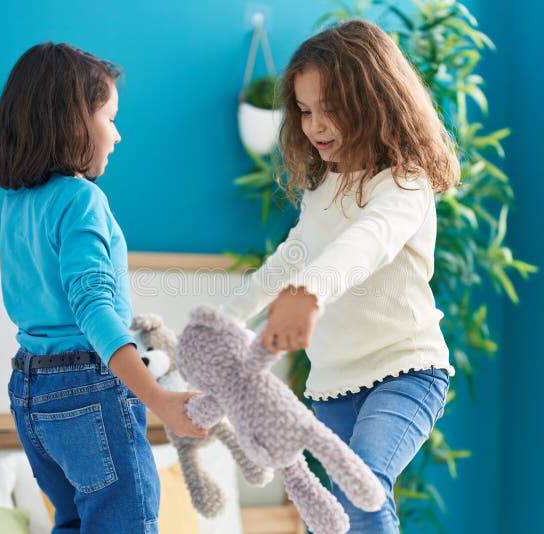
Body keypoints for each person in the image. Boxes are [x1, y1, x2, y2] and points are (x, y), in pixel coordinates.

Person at [222, 20, 458, 533]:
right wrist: (222, 322)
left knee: (363, 486)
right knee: (330, 517)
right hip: (331, 386)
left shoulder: (403, 184)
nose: (315, 125)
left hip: (406, 371)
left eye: (330, 108)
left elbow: (365, 243)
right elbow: (291, 258)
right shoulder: (322, 190)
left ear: (374, 101)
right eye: (305, 111)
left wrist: (308, 293)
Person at [0, 42, 206, 534]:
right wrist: (157, 399)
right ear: (74, 121)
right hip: (87, 387)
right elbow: (94, 311)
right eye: (110, 118)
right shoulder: (82, 199)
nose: (117, 136)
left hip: (31, 391)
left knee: (74, 523)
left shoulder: (16, 205)